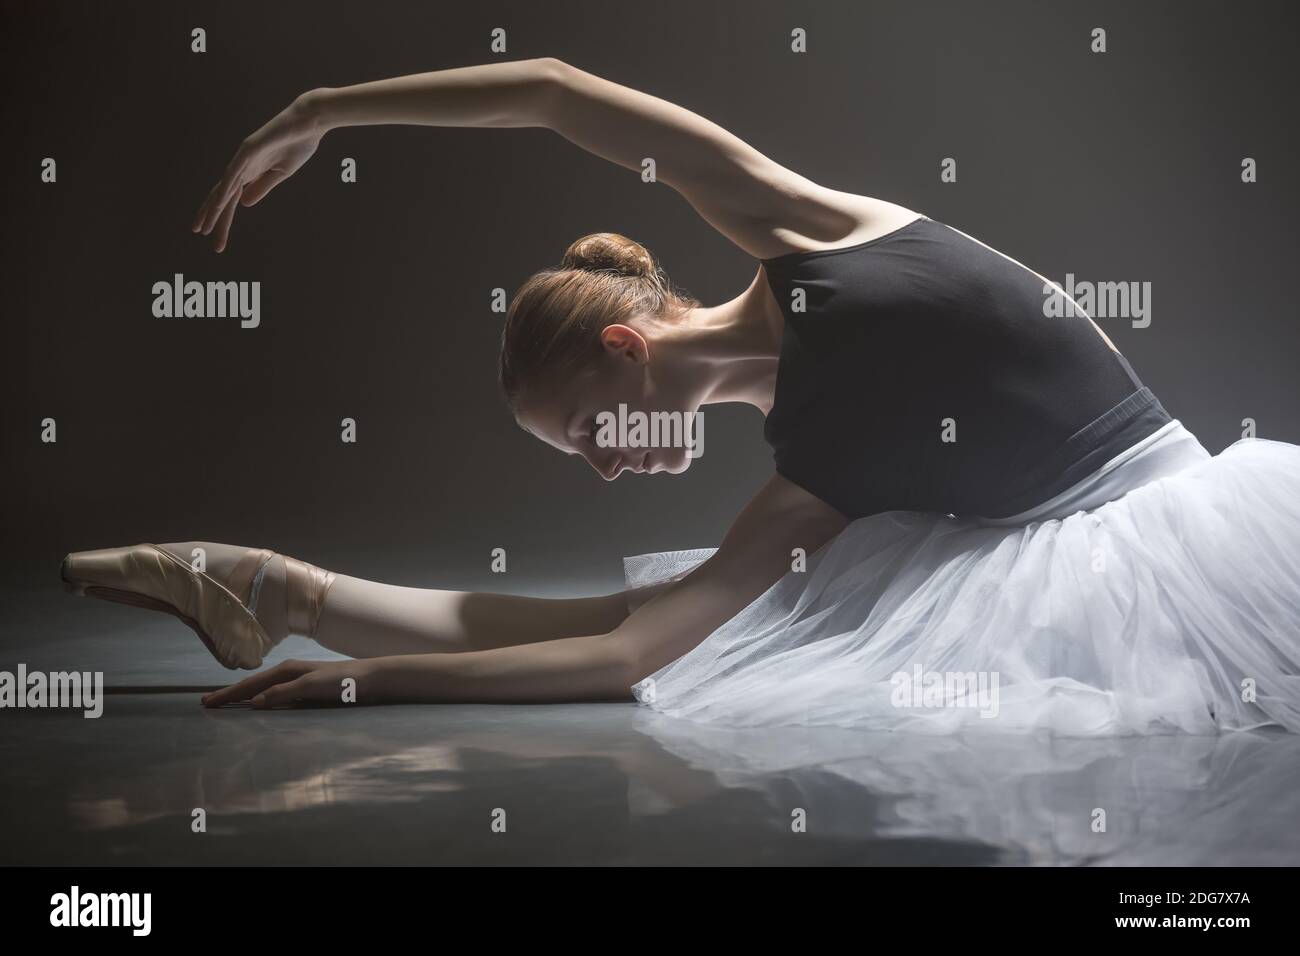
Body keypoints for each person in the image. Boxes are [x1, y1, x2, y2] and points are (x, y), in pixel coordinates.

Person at [62, 58, 1300, 734]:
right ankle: (281, 588)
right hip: (1025, 546)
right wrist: (363, 673)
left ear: (623, 344)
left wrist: (324, 109)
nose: (603, 467)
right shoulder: (812, 463)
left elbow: (548, 91)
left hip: (1162, 520)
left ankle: (290, 595)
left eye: (590, 431)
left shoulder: (804, 233)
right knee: (646, 609)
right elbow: (622, 652)